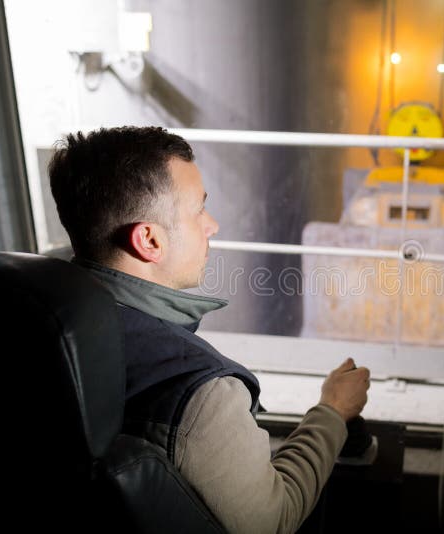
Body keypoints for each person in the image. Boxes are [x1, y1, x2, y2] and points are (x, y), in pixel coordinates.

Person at [48, 126, 371, 533]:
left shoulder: (31, 320)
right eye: (199, 210)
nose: (212, 225)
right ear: (149, 240)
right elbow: (274, 521)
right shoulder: (203, 395)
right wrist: (333, 411)